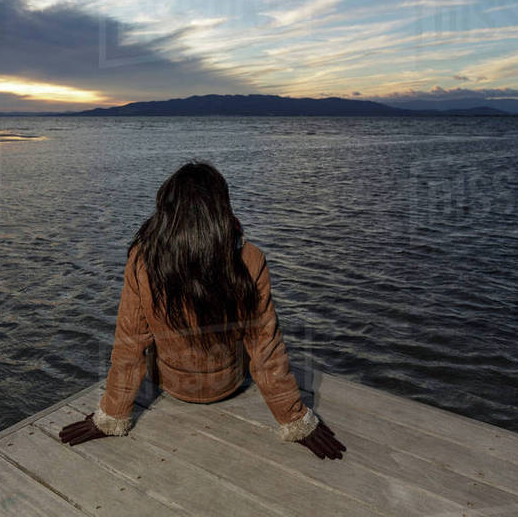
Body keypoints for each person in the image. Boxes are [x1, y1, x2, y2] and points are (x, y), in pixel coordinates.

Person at [59, 160, 345, 460]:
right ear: (221, 208)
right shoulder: (249, 257)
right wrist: (296, 420)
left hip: (172, 384)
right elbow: (266, 349)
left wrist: (111, 417)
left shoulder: (143, 259)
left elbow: (129, 344)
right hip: (228, 385)